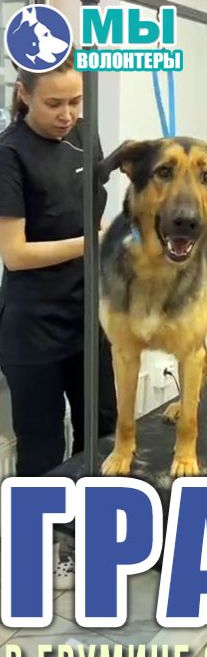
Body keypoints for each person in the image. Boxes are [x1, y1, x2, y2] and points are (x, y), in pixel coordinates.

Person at [0, 48, 117, 586]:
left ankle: (92, 528)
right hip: (33, 326)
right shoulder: (10, 155)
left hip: (87, 313)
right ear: (24, 94)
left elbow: (95, 203)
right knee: (43, 445)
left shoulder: (85, 134)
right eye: (54, 104)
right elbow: (15, 254)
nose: (67, 114)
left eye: (75, 101)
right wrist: (92, 243)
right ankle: (41, 547)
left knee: (102, 426)